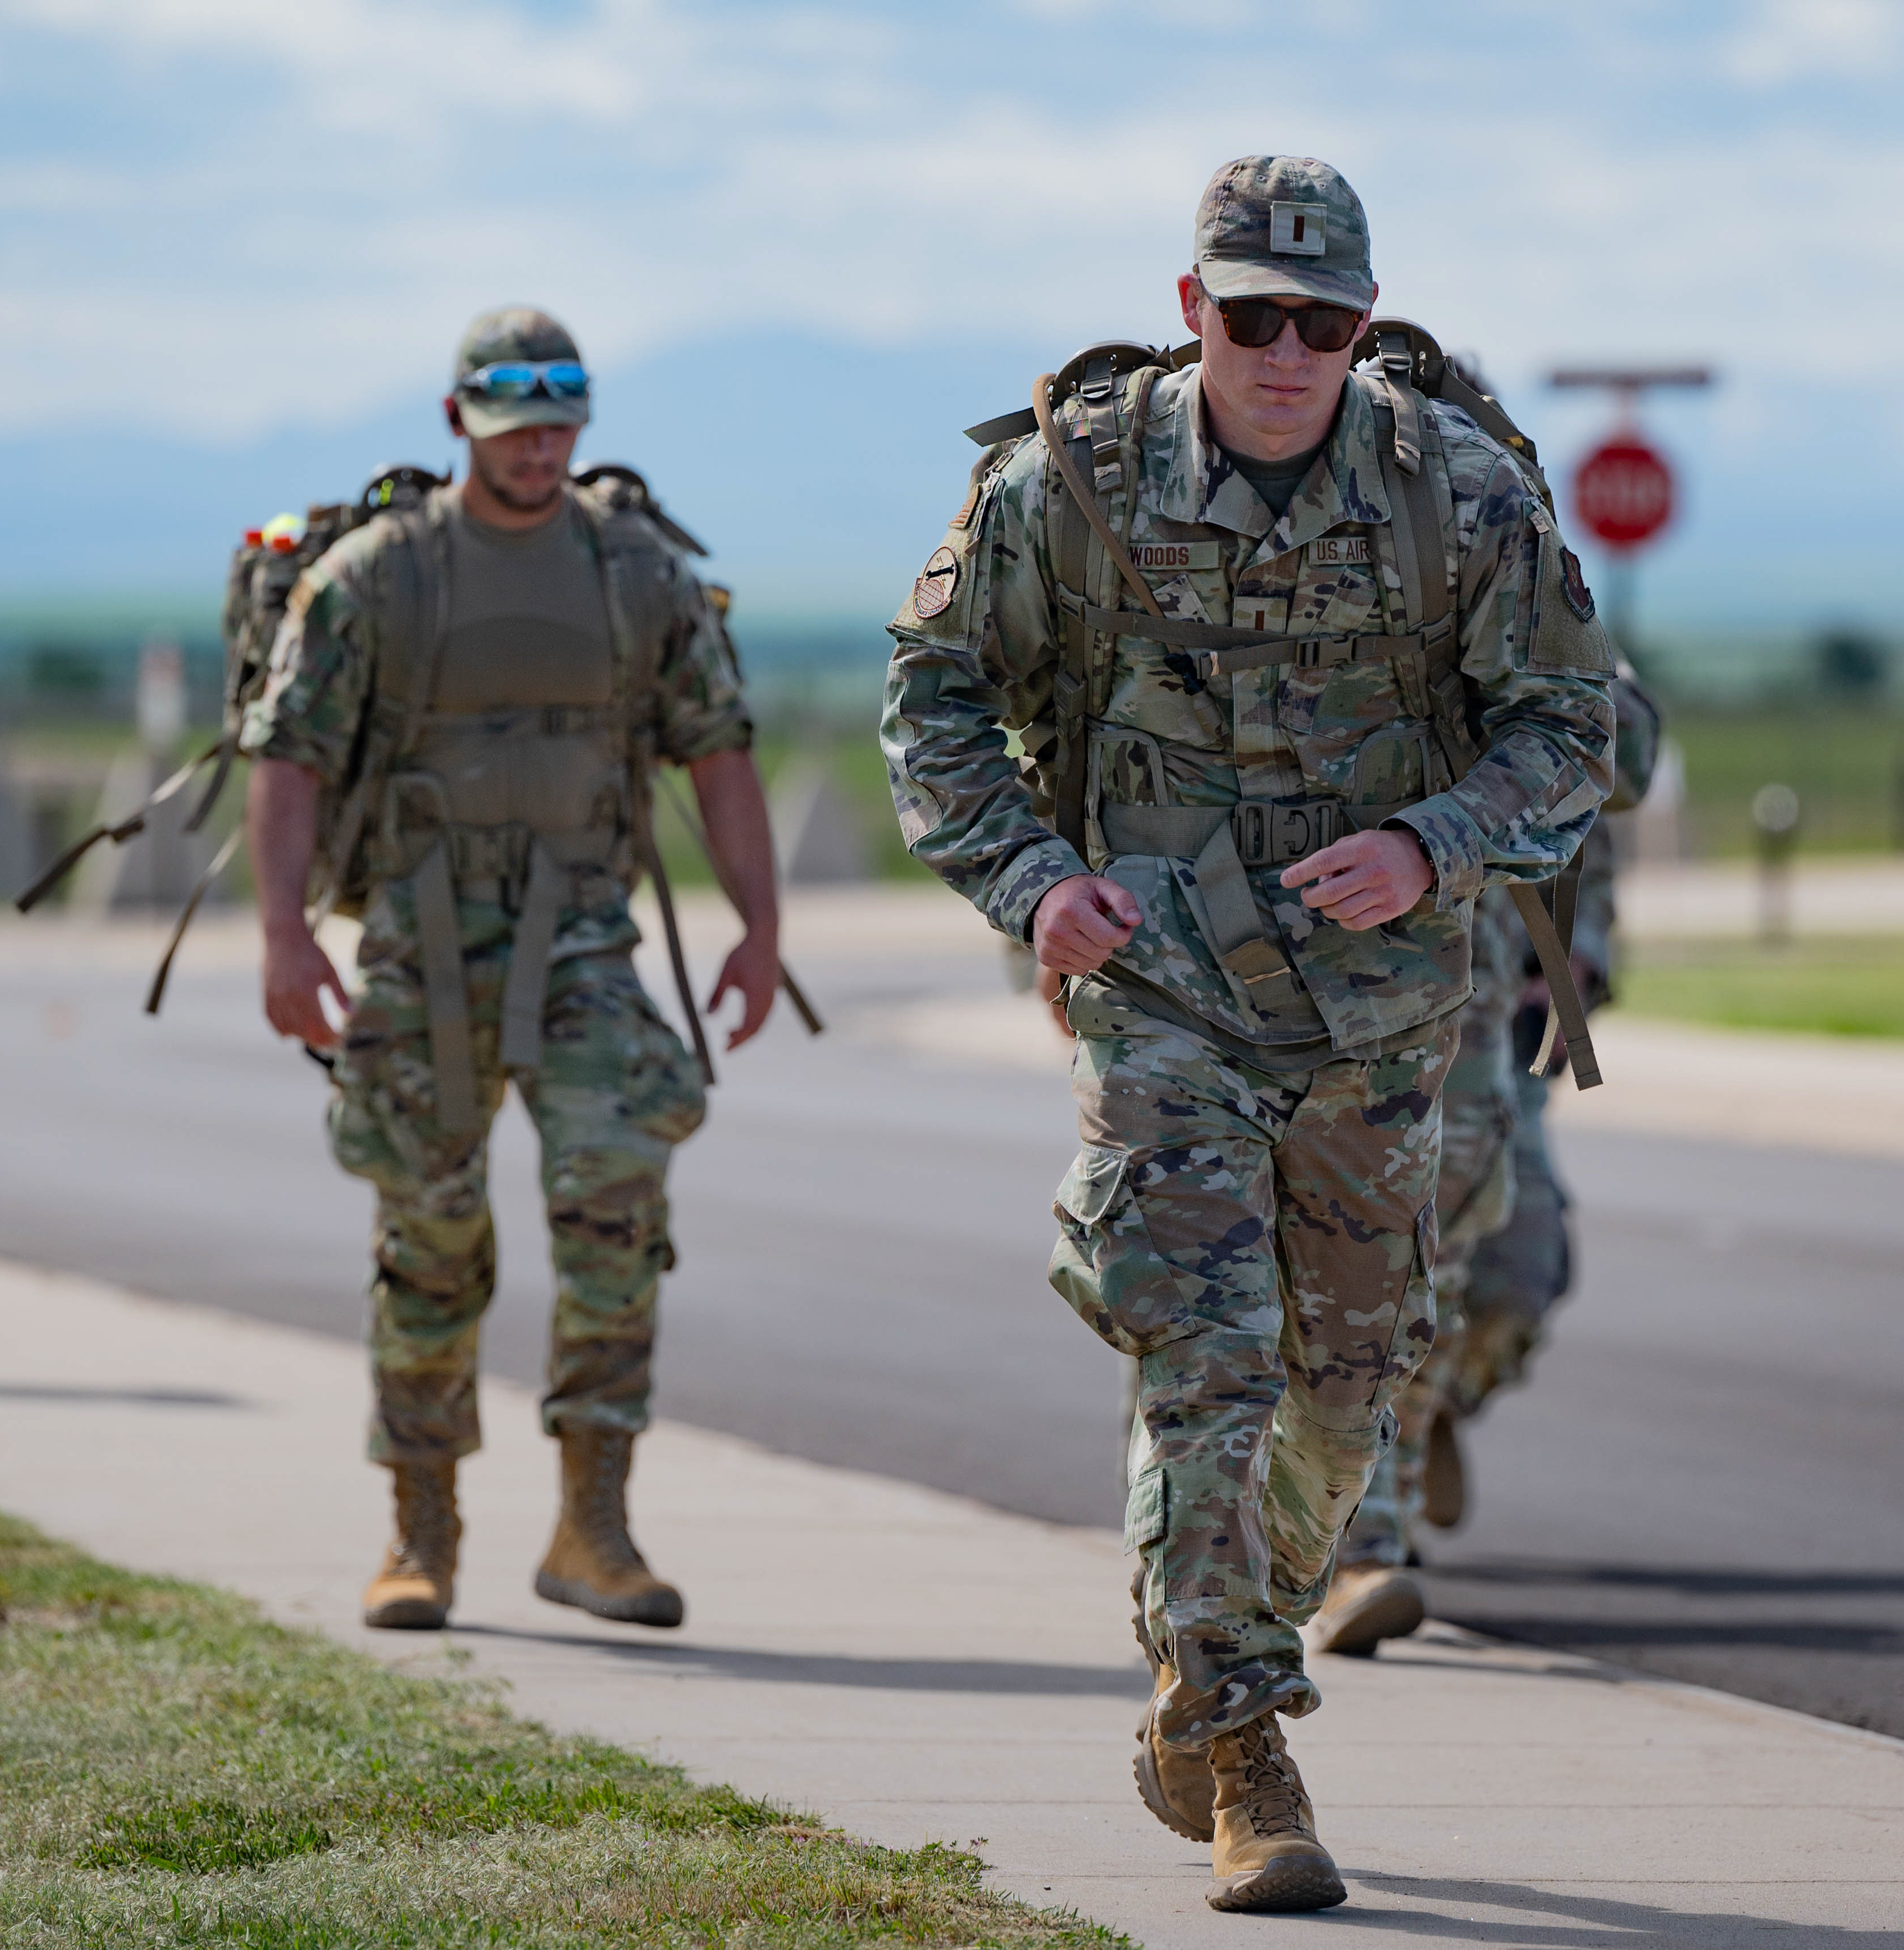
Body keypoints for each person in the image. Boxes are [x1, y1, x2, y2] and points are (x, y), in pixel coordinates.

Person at [881, 157, 1614, 1912]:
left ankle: (1229, 1641)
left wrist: (1437, 841)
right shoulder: (1073, 482)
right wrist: (1031, 882)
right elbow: (935, 694)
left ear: (1366, 325)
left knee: (1349, 1391)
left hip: (1376, 1009)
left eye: (1324, 323)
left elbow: (1569, 726)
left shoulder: (1458, 490)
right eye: (1254, 315)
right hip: (1164, 984)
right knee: (1207, 1354)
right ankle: (1240, 1740)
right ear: (1192, 307)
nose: (1287, 353)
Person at [240, 307, 780, 1635]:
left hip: (586, 933)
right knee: (426, 1237)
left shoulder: (637, 572)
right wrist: (284, 935)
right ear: (459, 422)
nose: (538, 444)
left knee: (617, 1212)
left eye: (558, 420)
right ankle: (420, 1530)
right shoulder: (376, 575)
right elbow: (288, 756)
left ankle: (594, 1526)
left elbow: (718, 750)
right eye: (512, 421)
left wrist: (759, 927)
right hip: (419, 939)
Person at [1316, 667, 1659, 1651]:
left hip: (1478, 999)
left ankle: (1411, 1446)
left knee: (1501, 1271)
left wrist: (1573, 958)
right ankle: (1339, 1545)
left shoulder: (1517, 602)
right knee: (1292, 1289)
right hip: (1299, 992)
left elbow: (1607, 768)